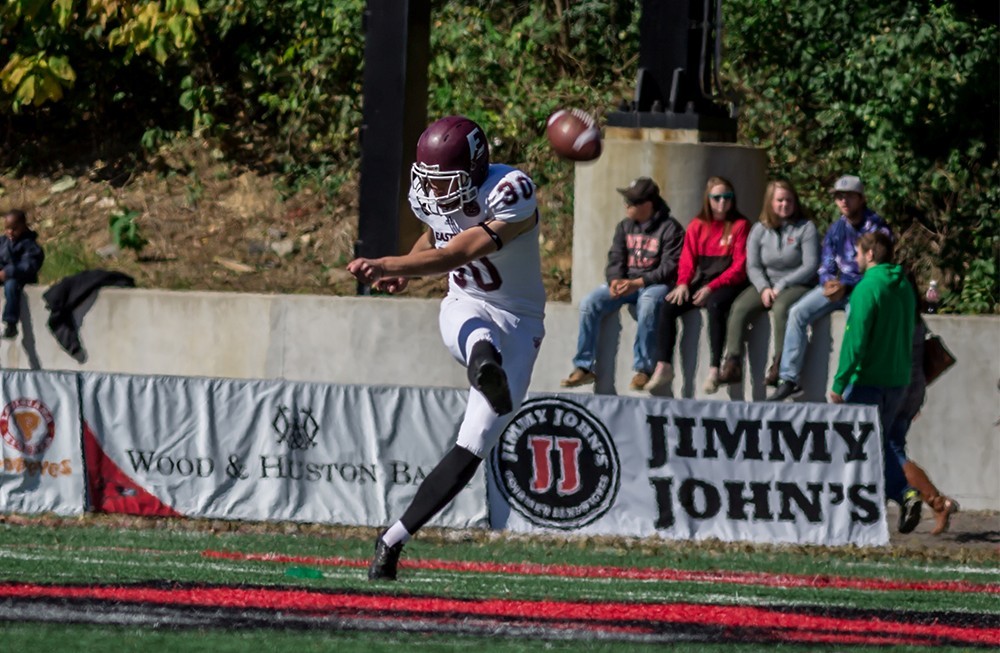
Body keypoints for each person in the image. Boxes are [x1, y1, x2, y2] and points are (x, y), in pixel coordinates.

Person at [346, 115, 545, 581]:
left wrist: (391, 263)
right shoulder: (444, 195)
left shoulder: (511, 193)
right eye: (429, 181)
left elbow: (460, 250)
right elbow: (439, 235)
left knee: (474, 442)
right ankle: (483, 363)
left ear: (475, 170)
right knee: (474, 329)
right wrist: (409, 265)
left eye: (444, 181)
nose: (434, 191)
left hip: (518, 319)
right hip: (463, 303)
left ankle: (391, 539)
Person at [767, 175, 891, 401]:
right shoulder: (836, 229)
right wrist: (828, 283)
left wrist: (846, 284)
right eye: (839, 197)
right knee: (797, 312)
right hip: (838, 287)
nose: (844, 202)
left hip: (864, 288)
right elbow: (826, 264)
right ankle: (789, 378)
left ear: (861, 199)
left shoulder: (876, 227)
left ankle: (853, 380)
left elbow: (879, 269)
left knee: (856, 323)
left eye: (849, 197)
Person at [827, 232, 916, 532]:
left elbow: (856, 339)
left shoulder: (867, 288)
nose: (854, 259)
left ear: (869, 255)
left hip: (868, 379)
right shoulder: (904, 285)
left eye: (857, 253)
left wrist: (839, 382)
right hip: (899, 378)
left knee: (860, 448)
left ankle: (901, 493)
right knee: (883, 442)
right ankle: (889, 501)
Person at [560, 177, 683, 391]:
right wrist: (615, 280)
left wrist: (639, 282)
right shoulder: (624, 226)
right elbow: (615, 259)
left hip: (654, 285)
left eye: (632, 202)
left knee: (648, 303)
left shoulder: (670, 228)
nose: (627, 205)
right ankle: (583, 367)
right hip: (628, 284)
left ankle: (644, 369)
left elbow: (670, 267)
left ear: (648, 204)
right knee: (590, 302)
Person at [645, 176, 749, 397]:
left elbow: (739, 267)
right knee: (668, 305)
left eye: (727, 198)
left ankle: (714, 369)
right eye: (717, 198)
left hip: (729, 282)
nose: (722, 203)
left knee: (715, 305)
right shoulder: (697, 225)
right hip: (704, 280)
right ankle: (664, 365)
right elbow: (687, 260)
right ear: (708, 199)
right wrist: (682, 283)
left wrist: (712, 287)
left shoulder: (740, 226)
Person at [718, 180, 818, 386]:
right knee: (739, 307)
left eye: (789, 200)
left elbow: (810, 266)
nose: (784, 204)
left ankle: (780, 364)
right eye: (780, 200)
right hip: (766, 282)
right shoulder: (759, 229)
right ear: (770, 202)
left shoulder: (806, 228)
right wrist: (763, 288)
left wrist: (781, 286)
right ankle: (733, 361)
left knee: (782, 308)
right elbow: (752, 265)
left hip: (796, 283)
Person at [886, 274, 959, 535]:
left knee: (891, 451)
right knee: (893, 448)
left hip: (900, 390)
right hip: (913, 390)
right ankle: (933, 503)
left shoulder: (901, 317)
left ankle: (937, 502)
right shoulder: (914, 315)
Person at [0, 209, 45, 338]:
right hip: (4, 276)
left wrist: (8, 272)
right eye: (7, 228)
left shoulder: (30, 245)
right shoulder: (3, 242)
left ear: (23, 226)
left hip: (21, 278)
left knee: (11, 286)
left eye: (14, 229)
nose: (10, 232)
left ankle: (11, 323)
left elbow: (29, 265)